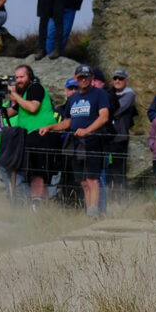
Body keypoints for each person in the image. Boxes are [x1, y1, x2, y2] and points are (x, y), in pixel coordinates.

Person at [38, 65, 110, 217]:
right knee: (83, 181)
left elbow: (104, 116)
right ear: (76, 78)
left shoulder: (99, 94)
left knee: (92, 179)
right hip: (75, 143)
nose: (83, 80)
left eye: (86, 77)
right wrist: (50, 127)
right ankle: (90, 211)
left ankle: (94, 212)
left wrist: (87, 131)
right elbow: (68, 122)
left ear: (92, 78)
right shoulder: (73, 98)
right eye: (80, 77)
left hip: (92, 141)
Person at [0, 64, 58, 201]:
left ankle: (36, 204)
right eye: (16, 77)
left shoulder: (35, 88)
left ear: (30, 77)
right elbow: (9, 113)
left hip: (41, 135)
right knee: (34, 173)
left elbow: (33, 108)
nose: (18, 80)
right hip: (32, 136)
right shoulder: (25, 95)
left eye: (21, 77)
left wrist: (14, 94)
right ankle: (39, 204)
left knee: (38, 173)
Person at [105, 69, 137, 193]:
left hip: (120, 137)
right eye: (115, 78)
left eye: (121, 78)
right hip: (108, 138)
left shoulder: (129, 94)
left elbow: (115, 110)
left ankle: (120, 198)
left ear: (126, 80)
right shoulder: (109, 93)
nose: (117, 81)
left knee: (119, 170)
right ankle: (108, 198)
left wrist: (105, 112)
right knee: (108, 169)